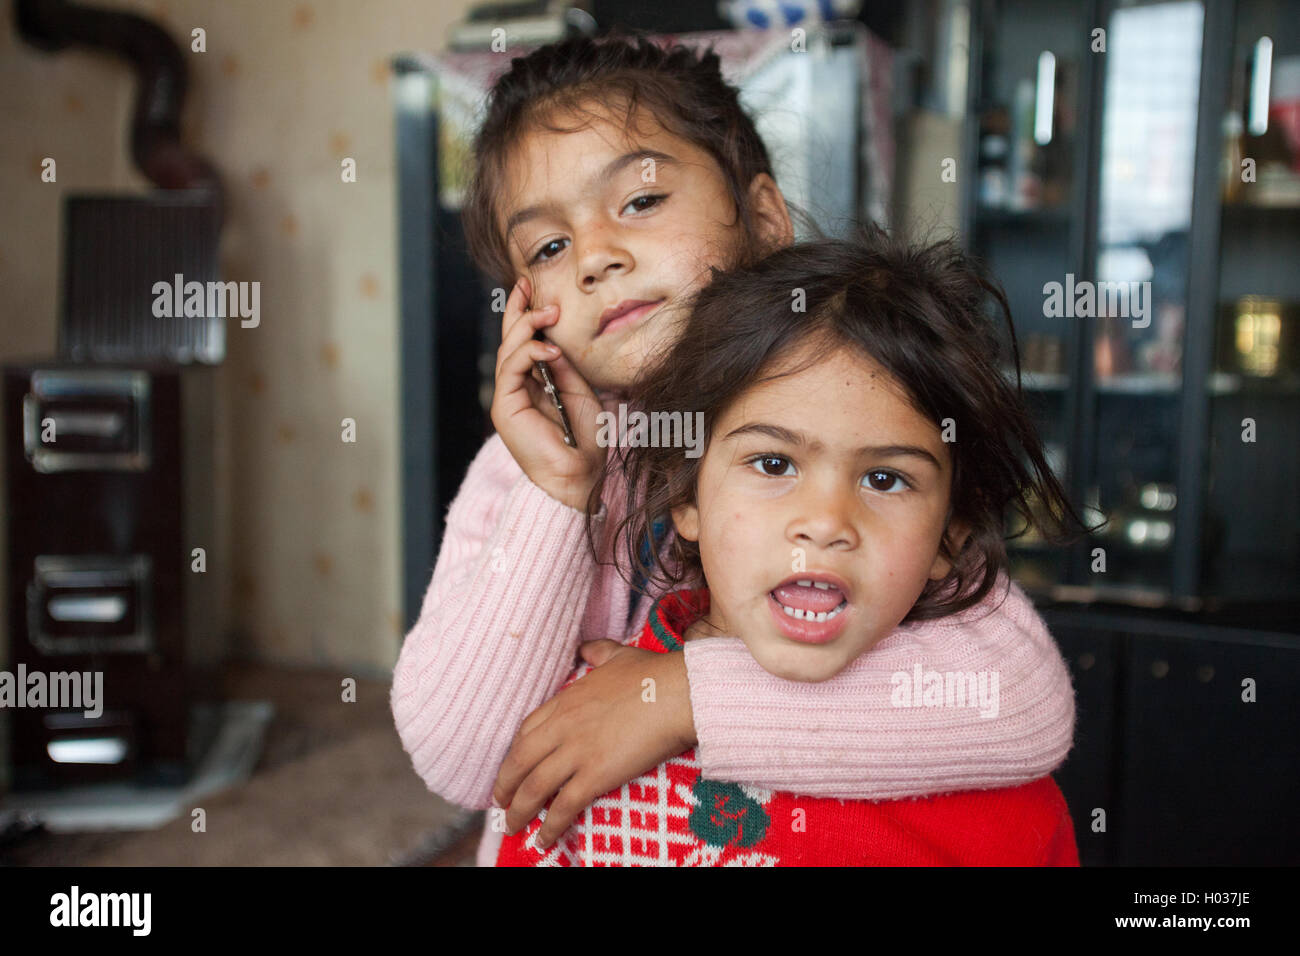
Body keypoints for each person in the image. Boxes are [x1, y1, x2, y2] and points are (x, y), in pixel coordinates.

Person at [390, 35, 1077, 866]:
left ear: (762, 217)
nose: (597, 258)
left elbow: (1023, 704)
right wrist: (558, 492)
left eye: (639, 201)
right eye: (547, 248)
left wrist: (677, 696)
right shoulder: (522, 469)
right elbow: (459, 761)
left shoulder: (849, 411)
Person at [498, 230, 1084, 865]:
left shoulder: (1007, 806)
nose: (825, 521)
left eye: (885, 479)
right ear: (686, 495)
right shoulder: (585, 738)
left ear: (951, 536)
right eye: (773, 463)